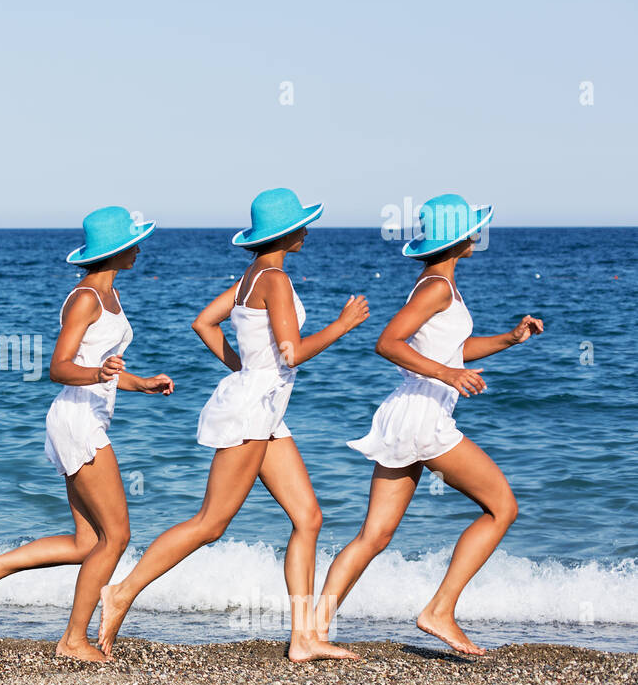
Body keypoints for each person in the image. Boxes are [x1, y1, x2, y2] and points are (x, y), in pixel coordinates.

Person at [98, 188, 370, 661]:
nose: (307, 230)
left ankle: (304, 638)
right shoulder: (276, 281)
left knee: (308, 517)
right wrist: (343, 324)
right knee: (211, 523)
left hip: (263, 408)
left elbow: (204, 323)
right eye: (302, 224)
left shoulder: (252, 276)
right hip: (253, 412)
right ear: (289, 234)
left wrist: (247, 371)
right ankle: (119, 593)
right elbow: (293, 352)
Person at [314, 194, 543, 655]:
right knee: (502, 508)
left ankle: (311, 632)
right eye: (472, 231)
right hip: (423, 416)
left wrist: (510, 339)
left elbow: (454, 349)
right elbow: (388, 342)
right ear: (463, 239)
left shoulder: (440, 285)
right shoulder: (436, 287)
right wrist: (447, 375)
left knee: (374, 535)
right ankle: (439, 610)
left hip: (410, 415)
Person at [0, 206, 174, 662]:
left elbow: (106, 371)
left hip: (83, 417)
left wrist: (141, 383)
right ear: (116, 250)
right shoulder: (86, 299)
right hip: (78, 422)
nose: (139, 248)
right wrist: (98, 372)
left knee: (86, 543)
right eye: (133, 241)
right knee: (116, 537)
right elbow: (59, 367)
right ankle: (73, 640)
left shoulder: (109, 296)